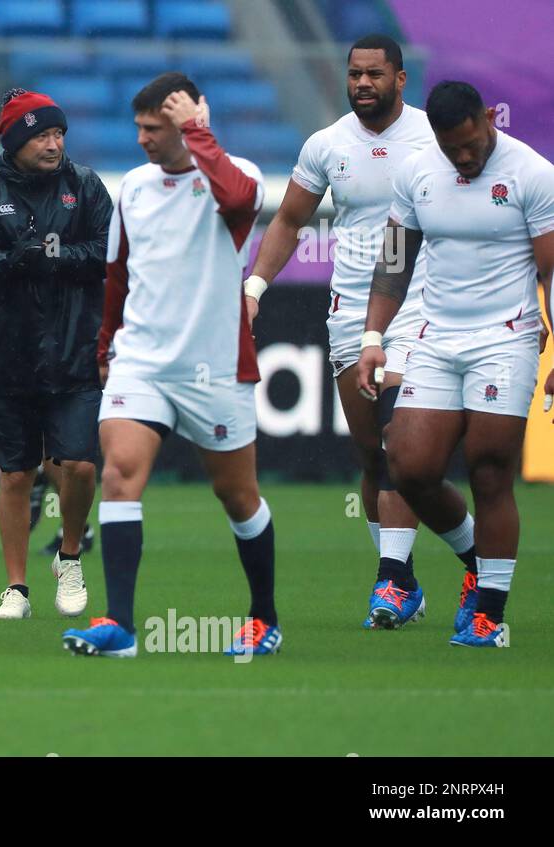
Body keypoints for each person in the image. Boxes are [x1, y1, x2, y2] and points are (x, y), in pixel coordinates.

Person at [246, 34, 479, 631]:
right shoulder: (327, 145)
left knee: (401, 450)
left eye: (375, 74)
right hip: (351, 311)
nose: (362, 84)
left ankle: (392, 582)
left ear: (401, 79)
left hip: (423, 307)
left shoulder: (434, 136)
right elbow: (291, 220)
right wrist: (252, 291)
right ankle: (474, 558)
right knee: (372, 455)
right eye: (354, 74)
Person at [63, 72, 278, 659]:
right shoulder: (132, 186)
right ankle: (121, 625)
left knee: (237, 496)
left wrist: (199, 133)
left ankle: (264, 617)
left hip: (213, 368)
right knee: (119, 474)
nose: (141, 140)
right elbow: (117, 274)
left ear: (186, 126)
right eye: (138, 127)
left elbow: (237, 202)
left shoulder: (239, 177)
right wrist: (106, 346)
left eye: (154, 129)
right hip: (141, 362)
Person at [355, 80, 554, 648]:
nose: (463, 158)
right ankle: (474, 556)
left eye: (470, 145)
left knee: (489, 470)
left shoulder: (533, 174)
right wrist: (374, 336)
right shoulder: (418, 172)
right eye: (451, 148)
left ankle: (489, 615)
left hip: (506, 338)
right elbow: (394, 261)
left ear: (489, 118)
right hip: (435, 338)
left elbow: (551, 271)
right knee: (410, 467)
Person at [0, 88, 110, 622]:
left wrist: (55, 259)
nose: (53, 143)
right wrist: (11, 261)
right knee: (15, 475)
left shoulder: (84, 187)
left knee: (80, 465)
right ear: (14, 140)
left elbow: (108, 254)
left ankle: (70, 556)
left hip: (74, 348)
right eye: (42, 134)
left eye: (59, 133)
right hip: (7, 352)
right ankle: (16, 588)